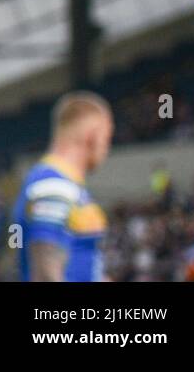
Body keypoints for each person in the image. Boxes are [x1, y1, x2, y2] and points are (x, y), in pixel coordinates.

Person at [12, 91, 113, 281]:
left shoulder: (68, 186)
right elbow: (44, 274)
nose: (106, 149)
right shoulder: (53, 185)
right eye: (106, 139)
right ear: (92, 136)